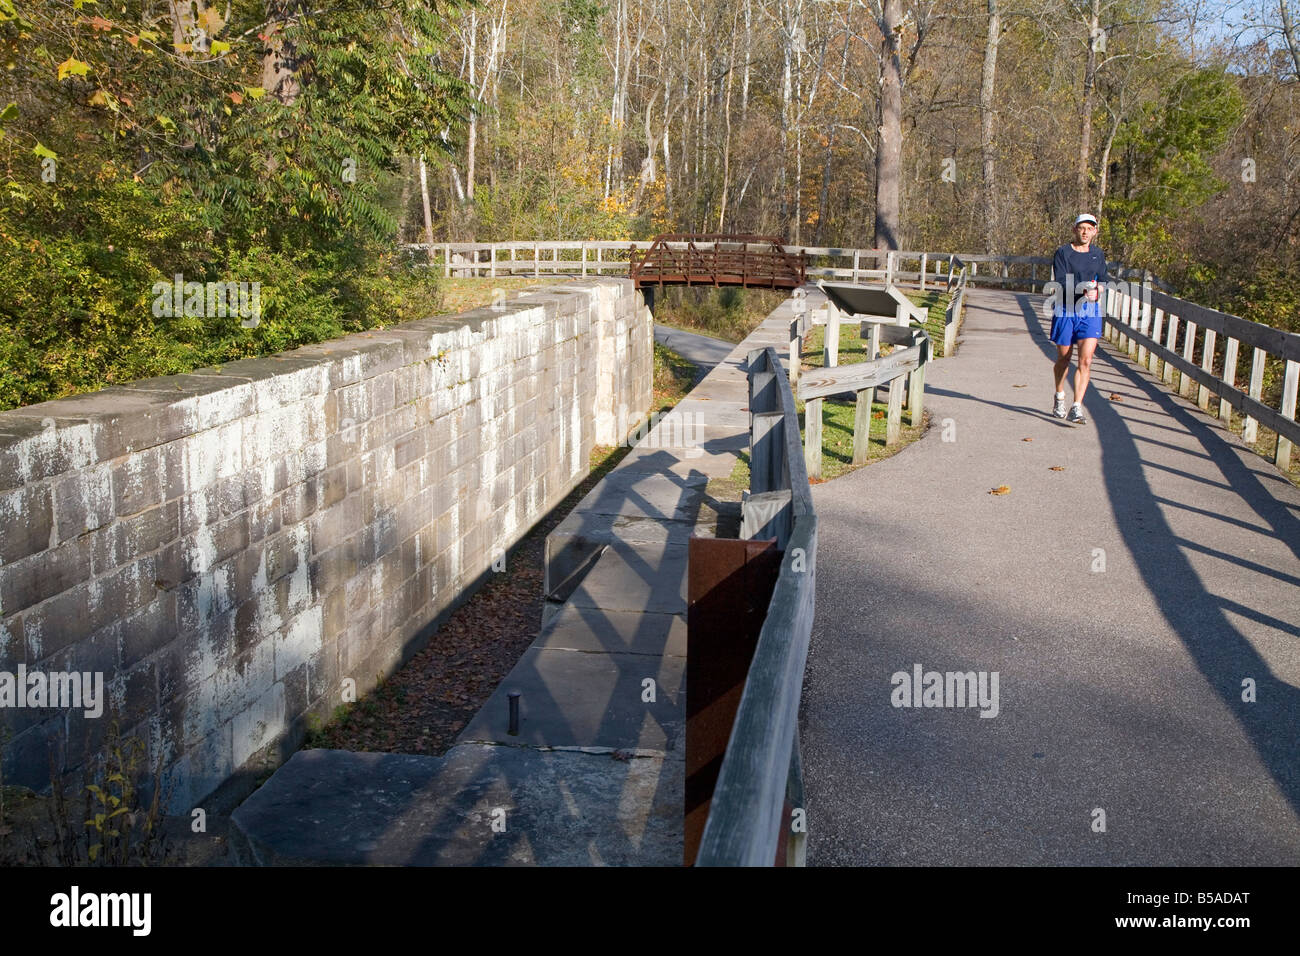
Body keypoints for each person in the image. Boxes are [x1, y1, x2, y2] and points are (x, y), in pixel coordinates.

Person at [1046, 213, 1107, 424]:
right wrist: (1083, 290)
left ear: (1095, 232)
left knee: (1086, 360)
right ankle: (1060, 396)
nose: (1085, 232)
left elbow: (1104, 280)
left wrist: (1097, 291)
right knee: (1064, 358)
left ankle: (1077, 406)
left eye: (1090, 228)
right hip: (1066, 309)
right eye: (1082, 228)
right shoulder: (1063, 253)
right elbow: (1061, 281)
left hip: (1089, 312)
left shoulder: (1098, 254)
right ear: (1074, 229)